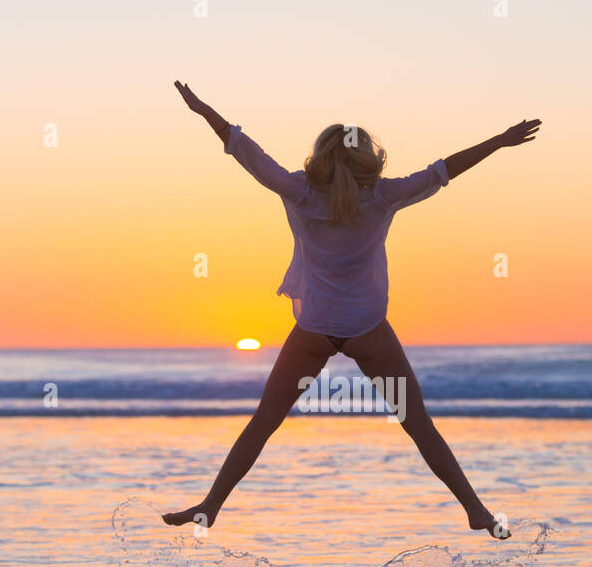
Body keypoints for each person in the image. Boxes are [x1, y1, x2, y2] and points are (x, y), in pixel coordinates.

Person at [163, 81, 540, 536]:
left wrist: (205, 111)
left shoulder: (298, 192)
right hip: (368, 330)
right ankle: (476, 510)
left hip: (314, 328)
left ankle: (211, 506)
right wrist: (499, 141)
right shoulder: (383, 196)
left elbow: (245, 150)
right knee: (417, 424)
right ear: (367, 159)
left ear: (320, 157)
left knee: (264, 421)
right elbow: (444, 170)